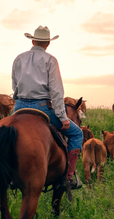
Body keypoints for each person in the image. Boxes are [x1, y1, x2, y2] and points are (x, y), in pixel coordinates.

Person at [11, 25, 84, 190]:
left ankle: (5, 173)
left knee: (0, 131)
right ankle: (68, 177)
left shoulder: (19, 58)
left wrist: (19, 98)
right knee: (76, 134)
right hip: (42, 107)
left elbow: (15, 85)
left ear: (32, 40)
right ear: (48, 44)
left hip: (19, 105)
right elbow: (56, 91)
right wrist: (63, 117)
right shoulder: (51, 60)